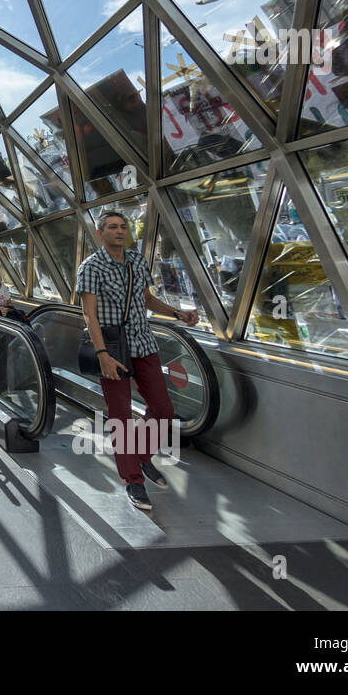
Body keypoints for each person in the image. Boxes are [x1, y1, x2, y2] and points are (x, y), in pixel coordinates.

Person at [78, 211, 198, 512]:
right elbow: (89, 315)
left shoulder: (136, 261)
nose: (119, 231)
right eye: (113, 227)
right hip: (113, 348)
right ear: (100, 232)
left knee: (163, 408)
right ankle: (133, 480)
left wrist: (176, 313)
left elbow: (147, 299)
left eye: (123, 226)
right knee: (120, 414)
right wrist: (103, 354)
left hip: (143, 342)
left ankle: (142, 455)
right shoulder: (91, 267)